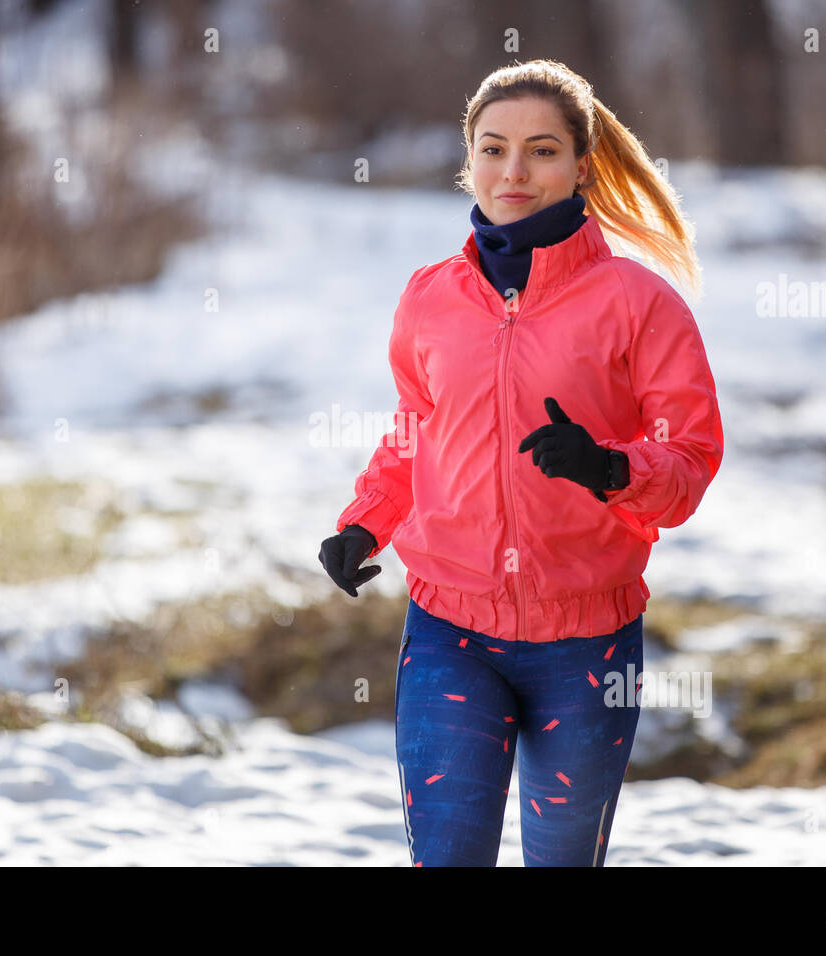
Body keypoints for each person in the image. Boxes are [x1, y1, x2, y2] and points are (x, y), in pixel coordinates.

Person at [319, 59, 724, 866]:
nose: (513, 171)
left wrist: (609, 467)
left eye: (541, 151)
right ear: (467, 161)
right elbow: (415, 428)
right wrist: (365, 522)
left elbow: (690, 461)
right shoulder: (431, 297)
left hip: (587, 641)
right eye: (493, 148)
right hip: (449, 630)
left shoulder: (639, 305)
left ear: (581, 164)